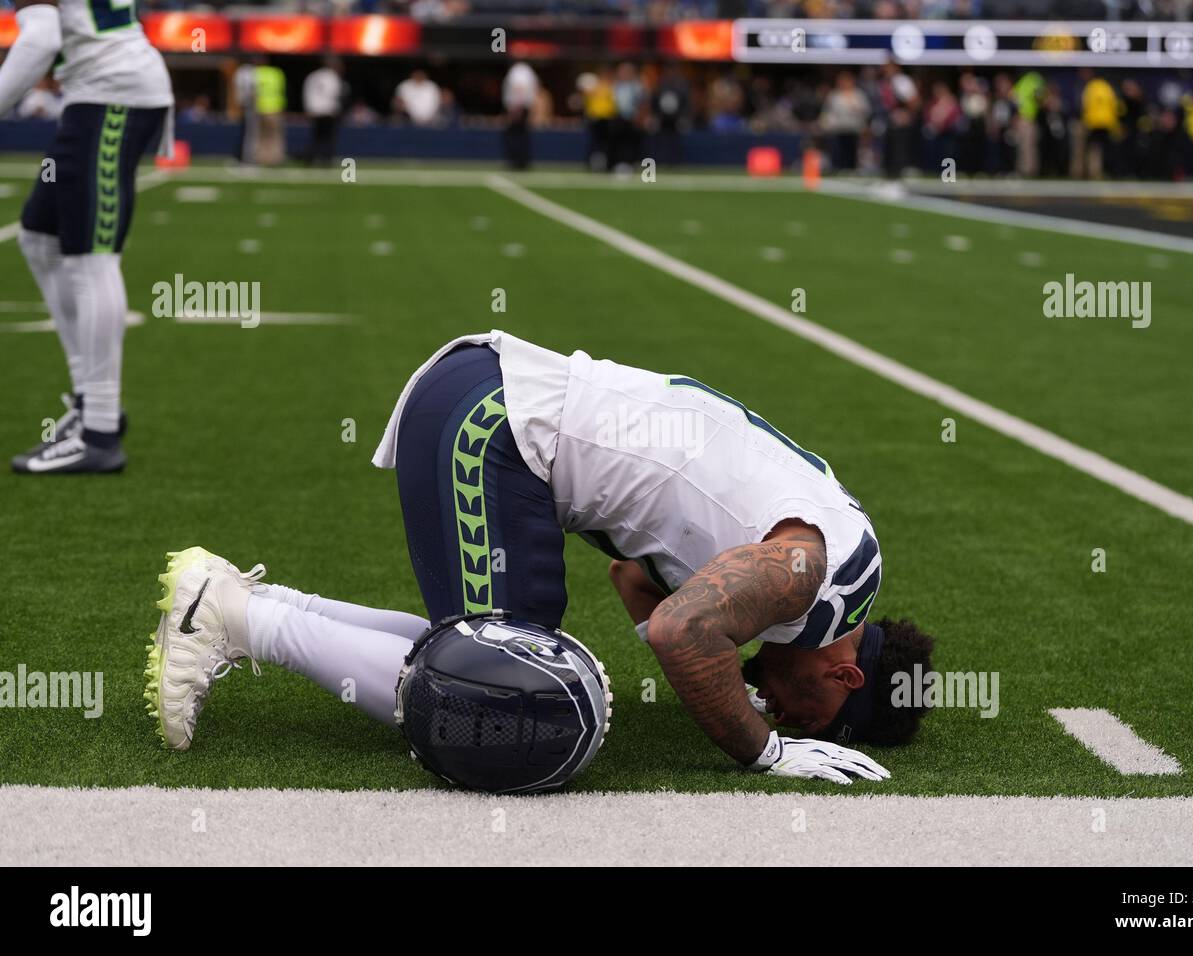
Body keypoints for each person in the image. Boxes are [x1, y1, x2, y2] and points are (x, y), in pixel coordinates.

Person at [145, 332, 935, 783]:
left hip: (494, 412)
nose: (801, 720)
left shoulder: (837, 561)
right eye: (821, 720)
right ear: (845, 675)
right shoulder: (814, 574)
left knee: (508, 660)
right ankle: (234, 619)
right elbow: (679, 631)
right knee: (517, 702)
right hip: (497, 429)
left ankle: (251, 605)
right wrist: (765, 749)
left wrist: (710, 669)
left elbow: (635, 580)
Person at [2, 0, 173, 474]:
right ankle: (87, 404)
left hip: (111, 95)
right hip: (103, 92)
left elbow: (40, 39)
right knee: (39, 237)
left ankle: (98, 430)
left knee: (91, 258)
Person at [820, 71, 868, 173]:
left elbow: (865, 111)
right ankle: (838, 169)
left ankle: (852, 169)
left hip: (853, 128)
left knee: (852, 151)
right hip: (837, 129)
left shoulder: (858, 94)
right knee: (838, 152)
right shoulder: (834, 95)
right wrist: (826, 124)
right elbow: (827, 112)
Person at [302, 57, 346, 167]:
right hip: (328, 110)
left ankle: (310, 158)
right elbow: (333, 94)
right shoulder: (332, 77)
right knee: (327, 137)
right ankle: (326, 160)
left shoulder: (313, 76)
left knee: (316, 136)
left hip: (315, 110)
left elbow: (307, 93)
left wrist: (309, 108)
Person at [501, 58, 539, 170]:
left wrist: (516, 106)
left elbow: (519, 88)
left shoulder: (518, 70)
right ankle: (521, 161)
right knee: (521, 134)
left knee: (516, 135)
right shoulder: (528, 71)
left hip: (518, 107)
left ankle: (517, 162)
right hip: (522, 106)